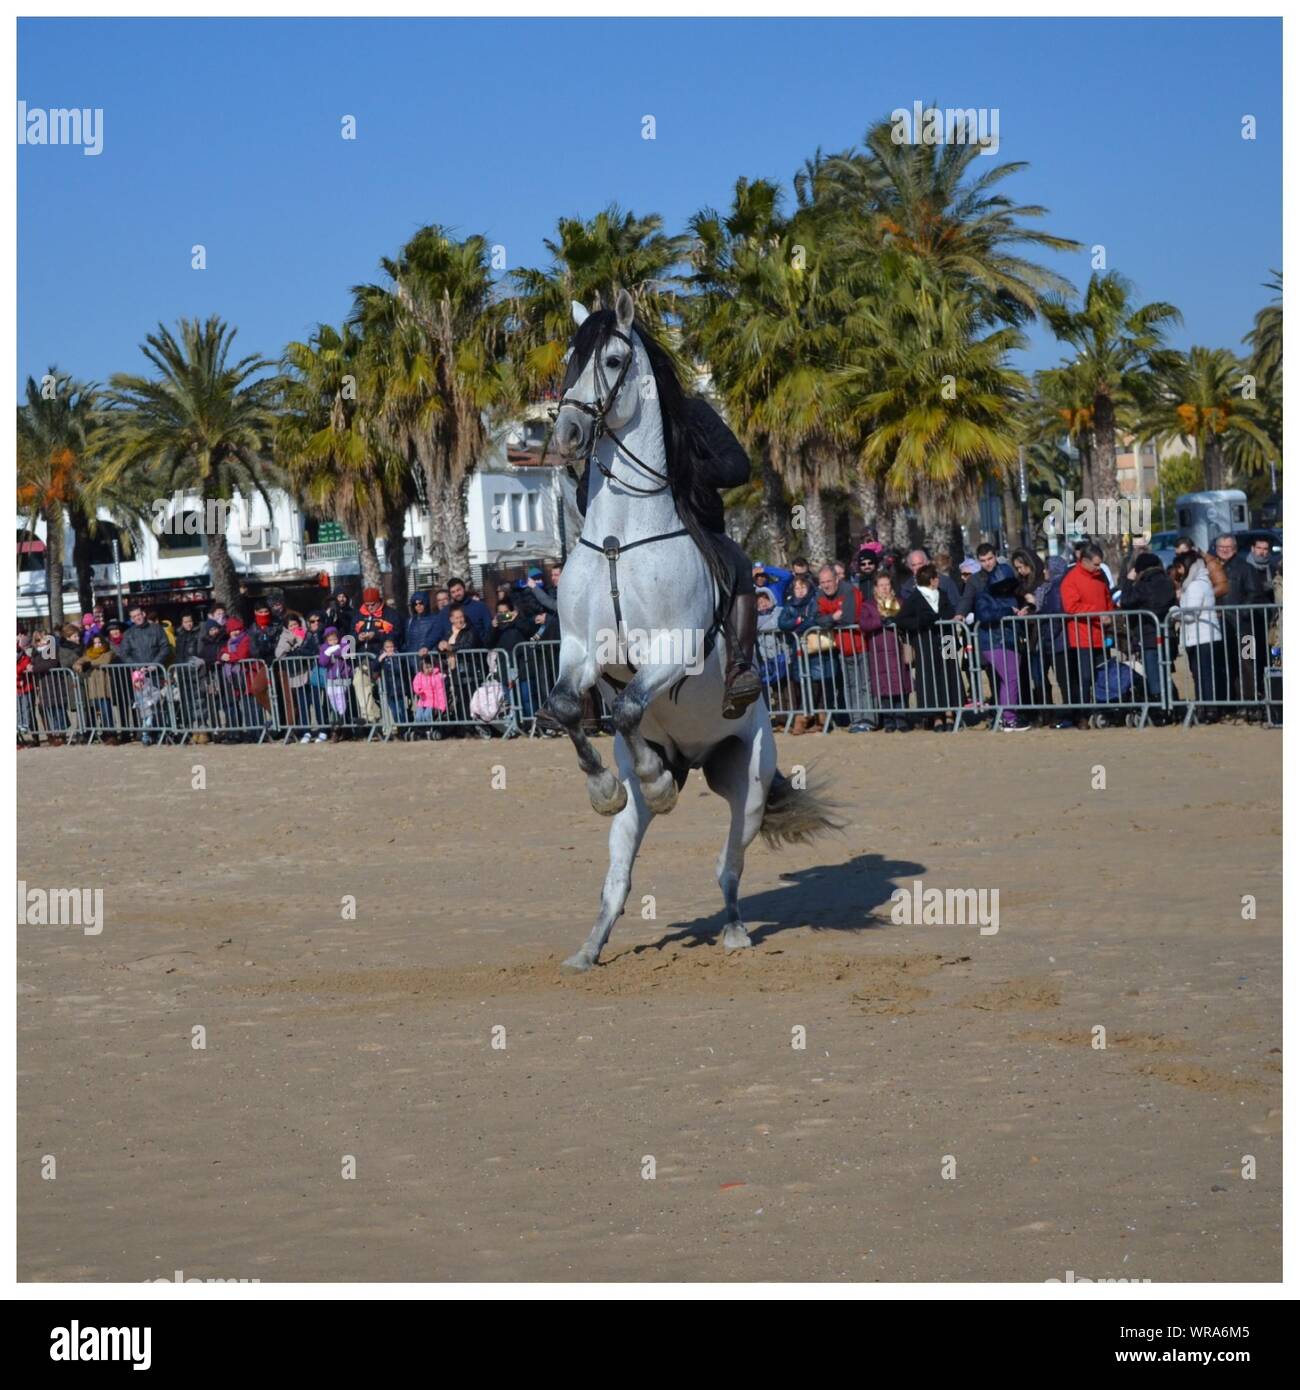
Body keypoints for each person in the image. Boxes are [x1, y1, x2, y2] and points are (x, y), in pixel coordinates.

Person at [569, 340, 761, 718]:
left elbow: (738, 467)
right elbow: (582, 497)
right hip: (621, 542)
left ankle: (738, 667)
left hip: (694, 526)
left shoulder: (694, 414)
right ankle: (582, 687)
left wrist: (688, 473)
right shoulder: (608, 431)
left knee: (738, 564)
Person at [896, 563, 963, 731]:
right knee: (931, 679)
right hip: (926, 642)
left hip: (947, 639)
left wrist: (941, 617)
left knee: (950, 674)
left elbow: (949, 611)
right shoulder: (915, 597)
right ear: (932, 580)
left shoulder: (942, 594)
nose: (938, 580)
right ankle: (936, 717)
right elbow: (902, 620)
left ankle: (950, 713)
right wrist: (921, 622)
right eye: (936, 578)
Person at [1059, 542, 1115, 721]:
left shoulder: (1099, 577)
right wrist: (1097, 613)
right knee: (1084, 677)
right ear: (1083, 561)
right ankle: (1084, 713)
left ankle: (1103, 709)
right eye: (1096, 564)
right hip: (1081, 638)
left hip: (1100, 635)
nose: (1099, 567)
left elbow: (1107, 599)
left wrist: (1109, 615)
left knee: (1103, 675)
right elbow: (1071, 607)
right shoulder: (1071, 579)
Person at [1119, 553, 1177, 719]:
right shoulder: (1168, 582)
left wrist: (1128, 581)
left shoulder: (1143, 585)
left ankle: (1161, 711)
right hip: (1168, 634)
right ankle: (1171, 706)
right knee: (1165, 672)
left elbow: (1126, 601)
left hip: (1149, 635)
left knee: (1153, 675)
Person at [1170, 548, 1225, 719]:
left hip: (1202, 636)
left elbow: (1190, 614)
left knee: (1204, 675)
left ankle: (1208, 709)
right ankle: (1207, 707)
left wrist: (1174, 611)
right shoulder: (1199, 582)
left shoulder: (1194, 585)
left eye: (1179, 568)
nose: (1177, 572)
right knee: (1203, 674)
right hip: (1201, 636)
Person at [974, 561, 1029, 731]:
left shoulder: (1012, 596)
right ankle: (1009, 718)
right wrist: (1008, 612)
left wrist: (1024, 610)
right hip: (994, 642)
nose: (1005, 588)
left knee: (1009, 681)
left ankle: (1007, 717)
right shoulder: (984, 596)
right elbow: (983, 615)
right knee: (1010, 679)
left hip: (1011, 640)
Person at [778, 572, 833, 735]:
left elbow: (814, 620)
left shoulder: (814, 601)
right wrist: (798, 622)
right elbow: (782, 624)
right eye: (797, 588)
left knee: (817, 683)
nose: (800, 590)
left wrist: (799, 625)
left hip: (815, 649)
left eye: (803, 587)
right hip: (797, 650)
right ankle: (804, 717)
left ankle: (817, 719)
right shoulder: (790, 605)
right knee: (801, 684)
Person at [860, 572, 912, 731]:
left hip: (897, 648)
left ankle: (902, 718)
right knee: (884, 686)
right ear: (875, 588)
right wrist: (880, 621)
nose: (884, 588)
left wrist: (898, 621)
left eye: (887, 585)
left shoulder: (900, 602)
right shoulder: (868, 605)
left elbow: (907, 620)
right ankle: (888, 719)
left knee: (901, 684)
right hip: (878, 650)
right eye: (881, 585)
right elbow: (864, 624)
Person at [411, 653, 447, 738]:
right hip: (422, 702)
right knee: (418, 716)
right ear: (422, 668)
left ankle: (429, 729)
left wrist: (442, 706)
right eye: (426, 668)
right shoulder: (419, 676)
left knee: (427, 715)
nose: (428, 669)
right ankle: (419, 730)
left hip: (434, 703)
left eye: (430, 667)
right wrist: (418, 691)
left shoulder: (437, 676)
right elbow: (415, 685)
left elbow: (440, 692)